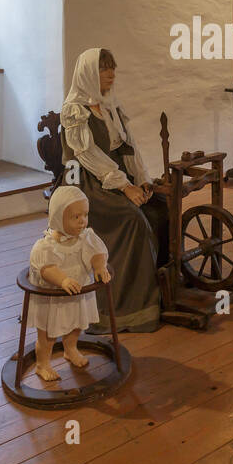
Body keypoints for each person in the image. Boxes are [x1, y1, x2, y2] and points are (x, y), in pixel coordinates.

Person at [60, 47, 167, 332]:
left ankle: (161, 289)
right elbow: (88, 156)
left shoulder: (111, 107)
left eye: (112, 68)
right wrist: (125, 187)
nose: (110, 74)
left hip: (118, 176)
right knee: (131, 219)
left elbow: (128, 148)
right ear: (87, 74)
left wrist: (141, 178)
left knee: (159, 208)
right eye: (103, 68)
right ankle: (124, 307)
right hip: (86, 183)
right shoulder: (74, 111)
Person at [27, 186, 110, 382]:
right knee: (47, 336)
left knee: (76, 325)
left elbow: (98, 253)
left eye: (85, 215)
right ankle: (42, 364)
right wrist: (62, 279)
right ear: (57, 217)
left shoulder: (86, 237)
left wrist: (99, 267)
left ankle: (70, 348)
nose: (82, 221)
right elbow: (46, 268)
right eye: (75, 217)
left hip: (77, 293)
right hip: (52, 299)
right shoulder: (45, 246)